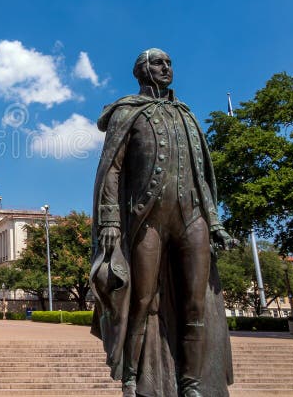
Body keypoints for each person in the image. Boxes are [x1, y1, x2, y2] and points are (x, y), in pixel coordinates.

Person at [90, 48, 236, 397]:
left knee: (195, 302)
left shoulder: (186, 115)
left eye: (169, 62)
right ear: (142, 71)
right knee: (141, 300)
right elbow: (111, 168)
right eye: (158, 63)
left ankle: (190, 383)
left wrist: (214, 221)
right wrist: (110, 219)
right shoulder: (127, 113)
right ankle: (131, 375)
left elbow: (202, 173)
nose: (166, 67)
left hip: (192, 214)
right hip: (148, 218)